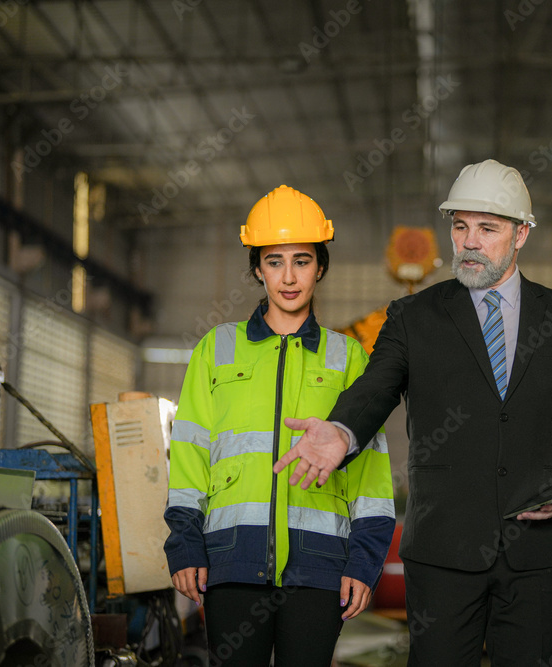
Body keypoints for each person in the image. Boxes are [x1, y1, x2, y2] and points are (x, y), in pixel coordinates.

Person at [271, 159, 552, 665]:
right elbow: (376, 386)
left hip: (537, 553)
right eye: (460, 227)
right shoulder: (414, 316)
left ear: (520, 234)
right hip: (443, 552)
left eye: (487, 228)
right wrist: (343, 432)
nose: (469, 241)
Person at [163, 185, 395, 666]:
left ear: (321, 266)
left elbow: (371, 469)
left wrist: (364, 562)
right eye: (274, 261)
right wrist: (185, 543)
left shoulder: (347, 356)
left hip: (320, 568)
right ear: (256, 268)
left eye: (302, 261)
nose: (289, 278)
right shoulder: (217, 349)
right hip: (231, 562)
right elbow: (189, 455)